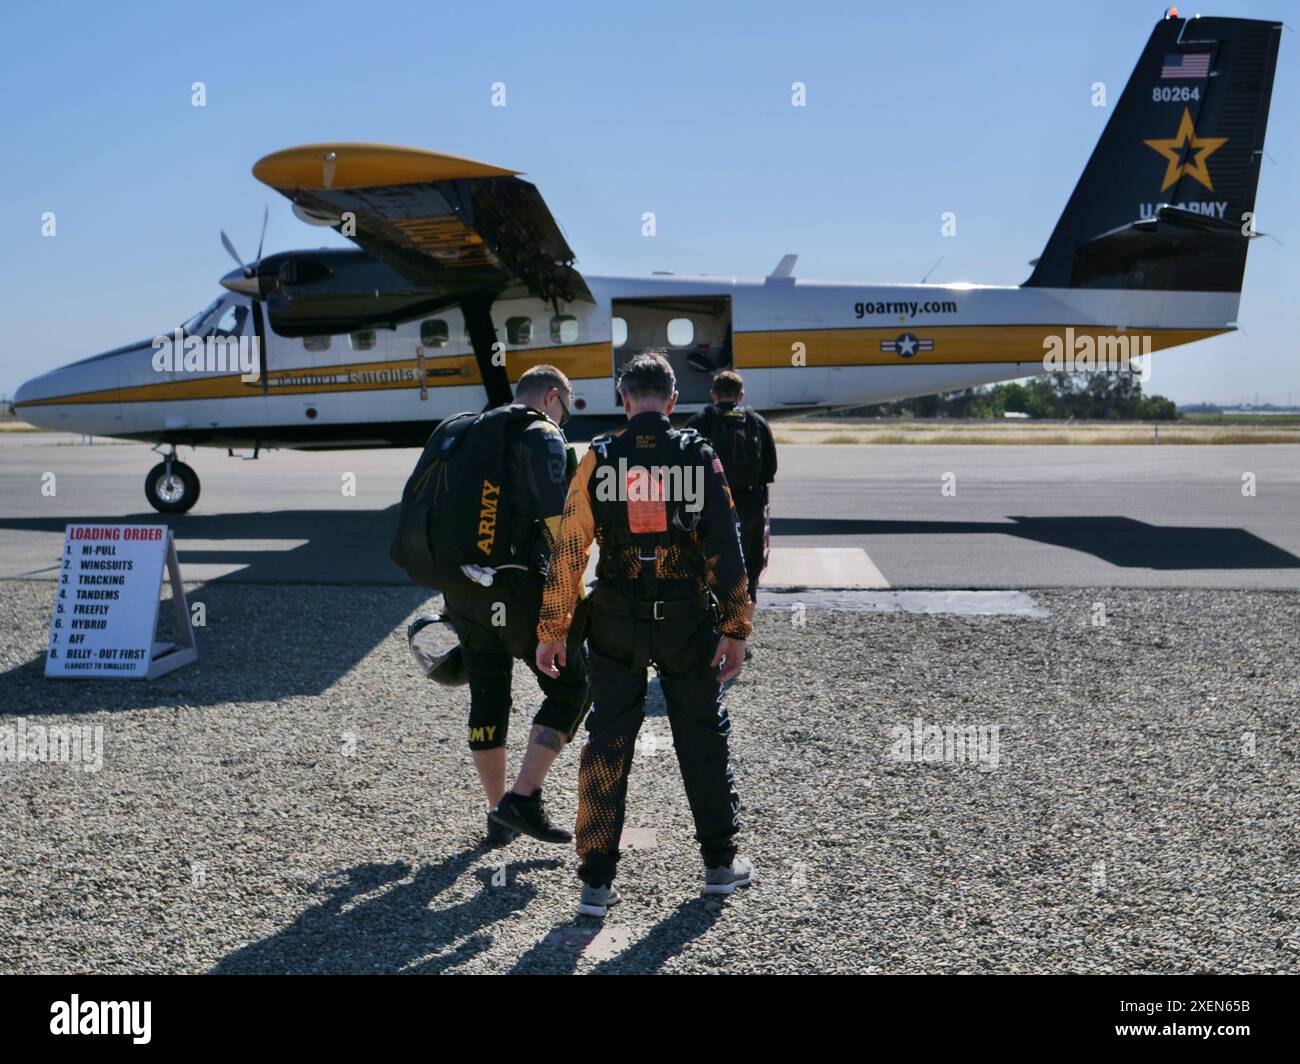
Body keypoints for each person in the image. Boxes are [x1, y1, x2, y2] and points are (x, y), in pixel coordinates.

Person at [535, 352, 753, 917]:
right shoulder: (698, 455)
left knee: (608, 741)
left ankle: (596, 883)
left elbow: (568, 549)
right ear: (674, 402)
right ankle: (720, 866)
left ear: (623, 399)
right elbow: (726, 545)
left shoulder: (598, 456)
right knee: (702, 736)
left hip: (615, 620)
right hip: (685, 620)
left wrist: (552, 628)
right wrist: (735, 627)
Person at [441, 364, 590, 848]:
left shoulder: (469, 431)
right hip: (517, 590)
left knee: (488, 697)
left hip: (463, 590)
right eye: (565, 411)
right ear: (551, 398)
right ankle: (521, 800)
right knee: (573, 687)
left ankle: (496, 816)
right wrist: (572, 597)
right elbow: (560, 524)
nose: (563, 421)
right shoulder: (541, 435)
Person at [686, 370, 777, 638]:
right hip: (750, 504)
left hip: (711, 504)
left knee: (709, 564)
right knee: (749, 568)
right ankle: (741, 632)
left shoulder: (699, 421)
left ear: (713, 394)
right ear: (741, 395)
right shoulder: (757, 422)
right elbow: (770, 469)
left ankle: (711, 630)